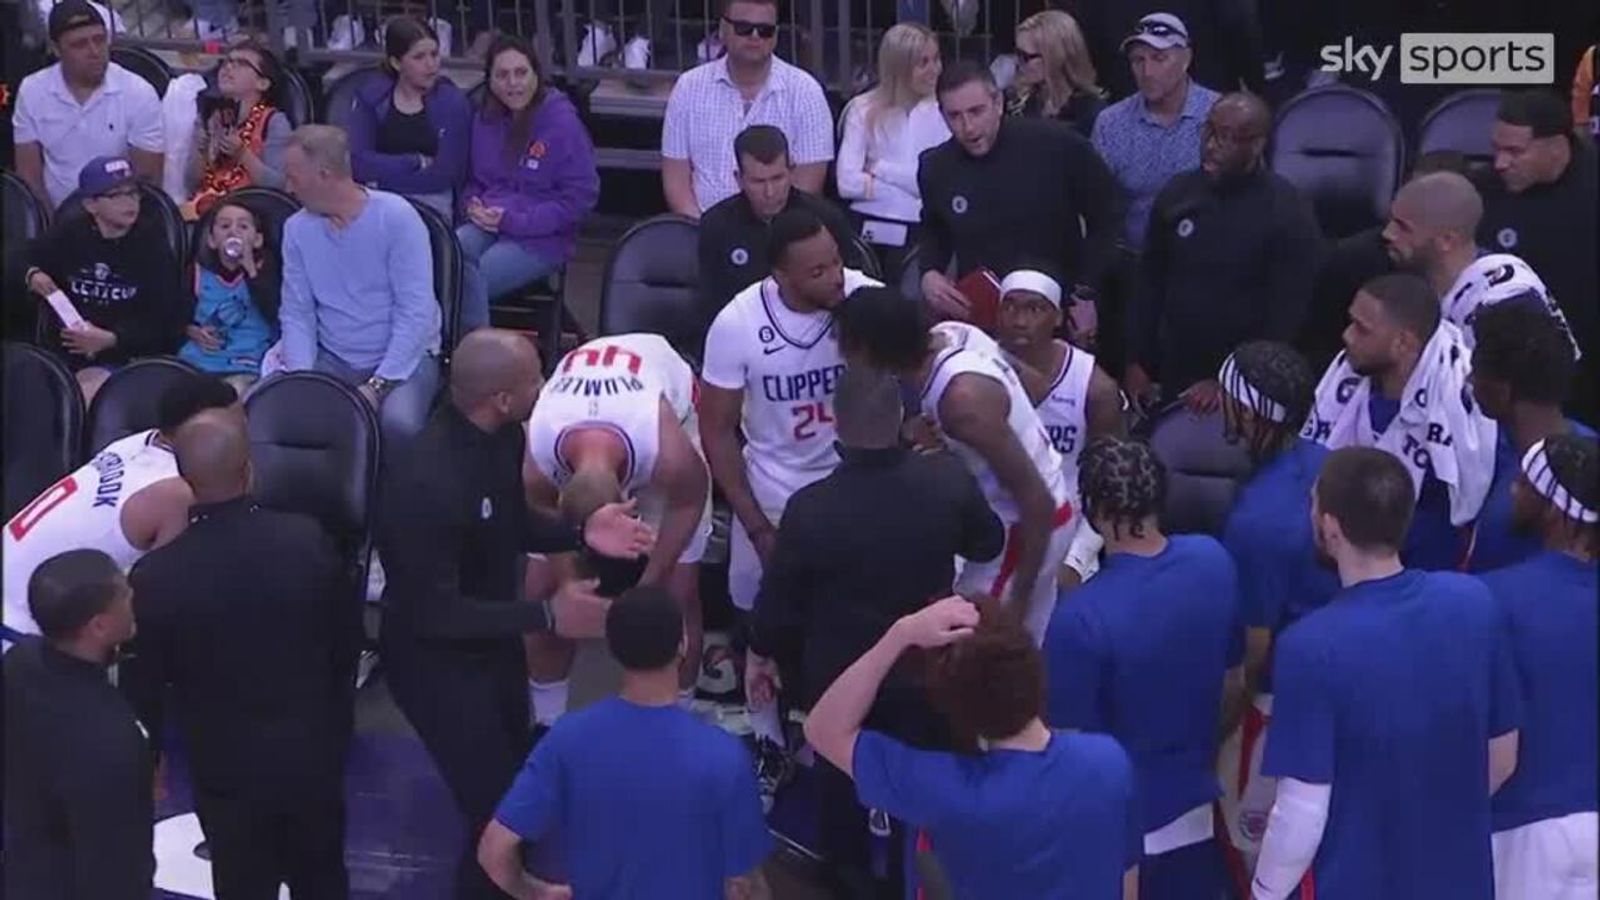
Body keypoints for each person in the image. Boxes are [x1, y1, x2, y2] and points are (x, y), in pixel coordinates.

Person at [377, 328, 653, 899]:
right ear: (501, 398)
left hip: (493, 642)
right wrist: (547, 617)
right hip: (435, 665)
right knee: (494, 814)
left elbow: (509, 523)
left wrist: (580, 531)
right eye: (534, 377)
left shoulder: (502, 440)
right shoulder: (426, 482)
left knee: (514, 800)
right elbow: (434, 612)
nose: (546, 384)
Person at [748, 365, 1003, 895]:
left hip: (841, 679)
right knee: (931, 784)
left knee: (842, 790)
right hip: (925, 670)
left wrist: (764, 653)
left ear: (835, 425)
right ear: (903, 421)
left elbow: (777, 610)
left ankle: (849, 876)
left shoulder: (810, 509)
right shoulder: (946, 481)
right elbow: (988, 544)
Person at [1250, 447, 1520, 899]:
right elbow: (1503, 758)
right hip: (1458, 880)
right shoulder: (1473, 604)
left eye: (1313, 503)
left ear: (1330, 527)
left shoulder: (1309, 647)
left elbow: (1301, 810)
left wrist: (1264, 892)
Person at [121, 410, 358, 899]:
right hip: (311, 751)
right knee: (322, 877)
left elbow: (142, 688)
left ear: (184, 480)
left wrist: (150, 759)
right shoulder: (308, 541)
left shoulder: (157, 577)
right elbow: (346, 643)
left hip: (225, 764)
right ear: (249, 469)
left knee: (241, 881)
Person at [699, 208, 881, 776]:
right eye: (818, 271)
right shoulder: (736, 324)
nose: (836, 276)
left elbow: (919, 356)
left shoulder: (860, 297)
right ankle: (768, 739)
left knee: (842, 620)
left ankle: (835, 736)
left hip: (847, 485)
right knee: (761, 628)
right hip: (774, 489)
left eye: (836, 261)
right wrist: (753, 523)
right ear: (780, 275)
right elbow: (715, 429)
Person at [805, 597, 1141, 899]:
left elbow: (822, 729)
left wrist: (900, 634)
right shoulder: (1108, 759)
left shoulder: (947, 790)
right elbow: (1127, 874)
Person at [479, 586, 773, 899]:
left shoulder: (566, 739)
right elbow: (745, 884)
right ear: (683, 644)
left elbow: (493, 851)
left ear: (613, 648)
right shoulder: (723, 756)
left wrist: (535, 893)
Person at [1045, 437, 1239, 899]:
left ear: (1095, 514)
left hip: (1122, 842)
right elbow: (1236, 681)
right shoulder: (1214, 561)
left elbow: (1073, 762)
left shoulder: (1078, 620)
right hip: (1198, 817)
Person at [836, 287, 1073, 642]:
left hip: (1026, 528)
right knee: (1021, 656)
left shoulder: (962, 403)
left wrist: (1018, 601)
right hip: (1033, 514)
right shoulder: (953, 334)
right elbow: (1035, 388)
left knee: (975, 651)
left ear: (869, 349)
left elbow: (1035, 500)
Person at [521, 332, 711, 732]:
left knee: (677, 597)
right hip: (593, 398)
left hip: (664, 395)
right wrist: (570, 582)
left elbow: (688, 502)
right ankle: (546, 720)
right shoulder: (538, 457)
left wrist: (650, 580)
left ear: (630, 500)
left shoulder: (666, 451)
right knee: (541, 592)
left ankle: (680, 719)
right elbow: (540, 514)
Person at [2, 373, 238, 646]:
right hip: (21, 628)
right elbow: (165, 591)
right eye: (235, 424)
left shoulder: (136, 442)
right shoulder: (176, 491)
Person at [1127, 91, 1320, 408]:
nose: (1212, 144)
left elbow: (1286, 315)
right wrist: (1137, 359)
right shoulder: (1178, 193)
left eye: (1227, 137)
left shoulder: (1288, 211)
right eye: (1209, 131)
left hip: (1244, 384)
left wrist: (1231, 379)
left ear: (1257, 145)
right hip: (1171, 367)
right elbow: (1149, 281)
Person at [1303, 273, 1497, 571]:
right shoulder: (1350, 376)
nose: (1346, 336)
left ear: (1403, 344)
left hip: (1419, 568)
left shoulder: (1460, 411)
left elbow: (1449, 528)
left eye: (1362, 329)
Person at [1478, 434, 1598, 900]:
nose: (1512, 490)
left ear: (1553, 506)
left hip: (1523, 827)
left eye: (1524, 483)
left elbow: (1495, 750)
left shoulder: (1494, 598)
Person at [279, 124, 443, 445]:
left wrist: (378, 385)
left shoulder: (397, 218)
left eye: (294, 178)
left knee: (398, 424)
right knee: (287, 416)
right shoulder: (296, 229)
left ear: (324, 176)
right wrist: (301, 379)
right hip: (334, 356)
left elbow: (415, 312)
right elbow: (297, 312)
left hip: (404, 360)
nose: (288, 188)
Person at [917, 62, 1120, 322]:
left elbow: (1107, 216)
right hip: (983, 315)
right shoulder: (937, 167)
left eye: (976, 112)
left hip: (1057, 311)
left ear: (998, 103)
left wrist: (1087, 292)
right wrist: (929, 272)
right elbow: (934, 228)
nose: (968, 127)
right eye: (954, 116)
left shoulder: (1058, 146)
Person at [3, 549, 151, 899]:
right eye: (125, 593)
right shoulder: (109, 739)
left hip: (27, 866)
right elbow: (115, 867)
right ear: (98, 626)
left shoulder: (19, 663)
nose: (133, 597)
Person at [458, 35, 599, 336]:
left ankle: (474, 360)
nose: (513, 83)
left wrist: (513, 221)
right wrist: (472, 205)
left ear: (537, 75)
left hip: (541, 238)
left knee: (472, 280)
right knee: (450, 256)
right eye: (502, 75)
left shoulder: (562, 124)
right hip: (488, 222)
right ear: (490, 80)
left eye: (521, 73)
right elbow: (474, 181)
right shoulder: (484, 118)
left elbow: (579, 201)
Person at [1473, 90, 1598, 418]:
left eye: (1515, 151)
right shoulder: (1484, 192)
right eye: (1496, 149)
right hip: (1505, 367)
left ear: (1557, 146)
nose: (1500, 163)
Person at [22, 155, 185, 402]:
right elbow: (17, 257)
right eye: (116, 195)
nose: (129, 202)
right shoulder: (70, 235)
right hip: (62, 355)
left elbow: (169, 321)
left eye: (133, 193)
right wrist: (32, 273)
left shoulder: (153, 245)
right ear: (90, 205)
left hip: (125, 358)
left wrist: (113, 339)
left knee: (84, 393)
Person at [660, 0, 833, 216]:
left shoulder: (806, 91)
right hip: (701, 233)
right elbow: (676, 182)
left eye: (765, 30)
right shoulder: (688, 87)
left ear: (776, 35)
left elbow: (809, 184)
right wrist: (704, 232)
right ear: (722, 29)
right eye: (743, 28)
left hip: (780, 238)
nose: (754, 36)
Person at [1304, 151, 1471, 373]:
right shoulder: (1353, 262)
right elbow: (1318, 347)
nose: (1389, 233)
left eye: (1407, 223)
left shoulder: (1485, 290)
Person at [1382, 170, 1579, 354]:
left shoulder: (1505, 302)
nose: (1388, 234)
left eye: (1403, 227)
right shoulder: (1407, 278)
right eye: (1391, 221)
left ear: (1446, 241)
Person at [1467, 302, 1594, 573]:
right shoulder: (1588, 448)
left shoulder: (1535, 501)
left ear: (1502, 391)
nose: (1469, 379)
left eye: (1476, 372)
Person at [698, 125, 856, 335]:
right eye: (758, 181)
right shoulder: (716, 225)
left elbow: (849, 289)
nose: (770, 192)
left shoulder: (825, 219)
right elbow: (712, 305)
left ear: (791, 170)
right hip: (744, 337)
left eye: (777, 178)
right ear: (739, 179)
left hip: (818, 335)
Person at [12, 0, 163, 208]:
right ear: (56, 49)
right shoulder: (32, 91)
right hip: (55, 217)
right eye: (80, 44)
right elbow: (29, 179)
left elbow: (147, 179)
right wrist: (52, 228)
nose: (94, 51)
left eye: (99, 40)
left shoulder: (139, 92)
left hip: (120, 216)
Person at [1091, 13, 1221, 252]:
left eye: (1159, 58)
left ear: (1186, 59)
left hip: (1207, 258)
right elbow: (1097, 205)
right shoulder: (1111, 123)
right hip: (1132, 262)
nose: (1147, 71)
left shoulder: (1219, 115)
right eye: (1137, 60)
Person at [835, 23, 949, 283]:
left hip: (922, 229)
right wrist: (912, 189)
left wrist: (879, 169)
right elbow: (847, 182)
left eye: (936, 59)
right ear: (899, 67)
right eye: (924, 62)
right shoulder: (861, 109)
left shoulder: (945, 112)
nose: (935, 70)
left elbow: (936, 185)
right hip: (865, 226)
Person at [993, 267, 1125, 475]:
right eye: (1009, 307)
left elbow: (1109, 473)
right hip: (989, 503)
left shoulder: (1094, 386)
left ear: (1058, 318)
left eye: (1035, 309)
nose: (1019, 321)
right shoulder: (975, 364)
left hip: (1066, 502)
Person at [348, 17, 472, 219]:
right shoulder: (371, 98)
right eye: (419, 57)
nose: (431, 64)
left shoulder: (453, 102)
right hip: (378, 198)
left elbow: (446, 173)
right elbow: (360, 163)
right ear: (396, 62)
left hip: (431, 200)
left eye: (434, 54)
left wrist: (380, 179)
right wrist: (415, 161)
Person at [178, 198, 280, 393]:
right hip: (198, 362)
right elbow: (175, 315)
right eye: (225, 226)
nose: (233, 232)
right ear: (212, 240)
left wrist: (251, 270)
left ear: (257, 239)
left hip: (245, 364)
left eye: (243, 226)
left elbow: (274, 311)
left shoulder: (266, 272)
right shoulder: (196, 273)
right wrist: (191, 330)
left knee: (234, 391)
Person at [185, 40, 290, 220]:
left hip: (253, 214)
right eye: (226, 62)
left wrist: (243, 155)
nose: (228, 68)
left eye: (241, 64)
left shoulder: (274, 122)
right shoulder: (208, 117)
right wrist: (202, 151)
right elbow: (190, 184)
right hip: (206, 209)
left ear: (263, 83)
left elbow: (278, 187)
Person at [1005, 10, 1106, 137]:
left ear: (1055, 58)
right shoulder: (1017, 102)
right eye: (1017, 53)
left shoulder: (1091, 113)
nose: (1018, 62)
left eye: (1025, 56)